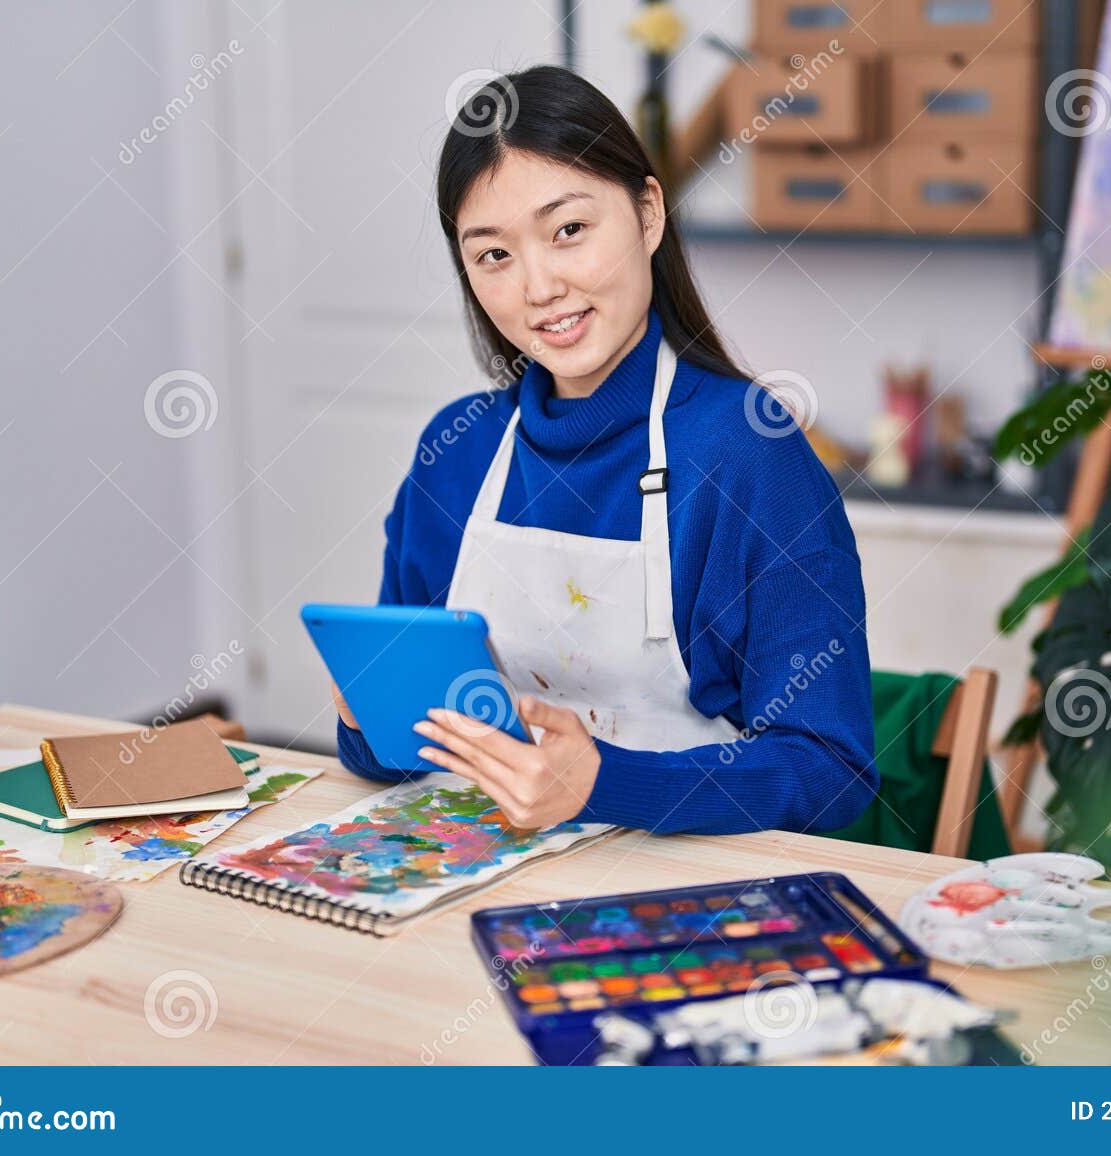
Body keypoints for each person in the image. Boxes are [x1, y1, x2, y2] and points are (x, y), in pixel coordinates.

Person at [334, 64, 875, 836]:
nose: (540, 286)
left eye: (569, 231)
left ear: (648, 214)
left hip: (688, 900)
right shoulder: (454, 457)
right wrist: (367, 720)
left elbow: (831, 767)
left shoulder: (749, 454)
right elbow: (405, 750)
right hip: (484, 881)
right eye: (494, 255)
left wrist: (603, 783)